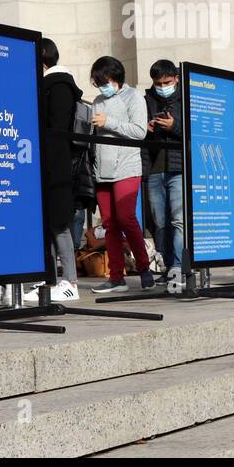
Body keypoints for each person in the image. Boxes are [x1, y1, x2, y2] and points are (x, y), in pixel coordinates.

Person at [86, 56, 153, 294]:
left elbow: (139, 131)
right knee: (109, 225)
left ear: (115, 77)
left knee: (126, 218)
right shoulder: (97, 100)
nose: (101, 85)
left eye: (103, 80)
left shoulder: (133, 97)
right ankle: (116, 277)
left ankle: (144, 268)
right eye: (97, 81)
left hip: (126, 166)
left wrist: (109, 122)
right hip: (102, 169)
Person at [39, 38, 81, 302]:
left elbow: (56, 128)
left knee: (58, 224)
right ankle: (50, 278)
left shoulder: (58, 86)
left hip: (55, 164)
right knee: (50, 224)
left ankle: (70, 281)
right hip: (50, 163)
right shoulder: (53, 85)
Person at [143, 59, 185, 287]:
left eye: (167, 82)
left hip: (179, 167)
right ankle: (168, 266)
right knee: (160, 222)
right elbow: (139, 132)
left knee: (178, 220)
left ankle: (178, 267)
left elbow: (197, 130)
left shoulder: (187, 98)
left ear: (176, 78)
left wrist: (174, 126)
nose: (162, 86)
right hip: (155, 166)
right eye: (158, 83)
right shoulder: (147, 99)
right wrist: (147, 128)